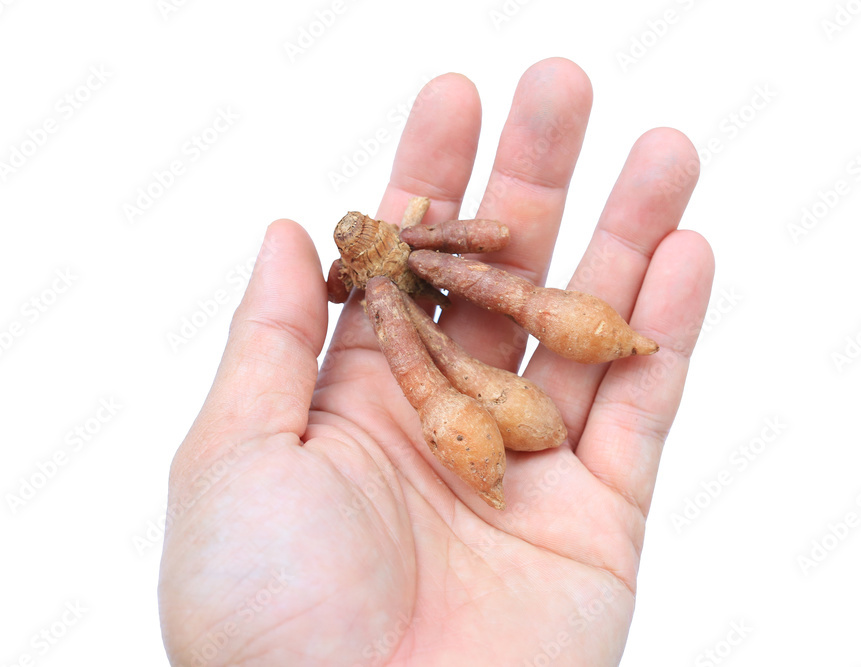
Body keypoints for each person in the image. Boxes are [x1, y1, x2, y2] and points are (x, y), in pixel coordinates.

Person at [158, 57, 714, 666]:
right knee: (491, 346)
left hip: (444, 329)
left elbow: (493, 236)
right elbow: (491, 235)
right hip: (436, 362)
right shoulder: (371, 285)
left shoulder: (391, 263)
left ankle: (625, 342)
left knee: (517, 324)